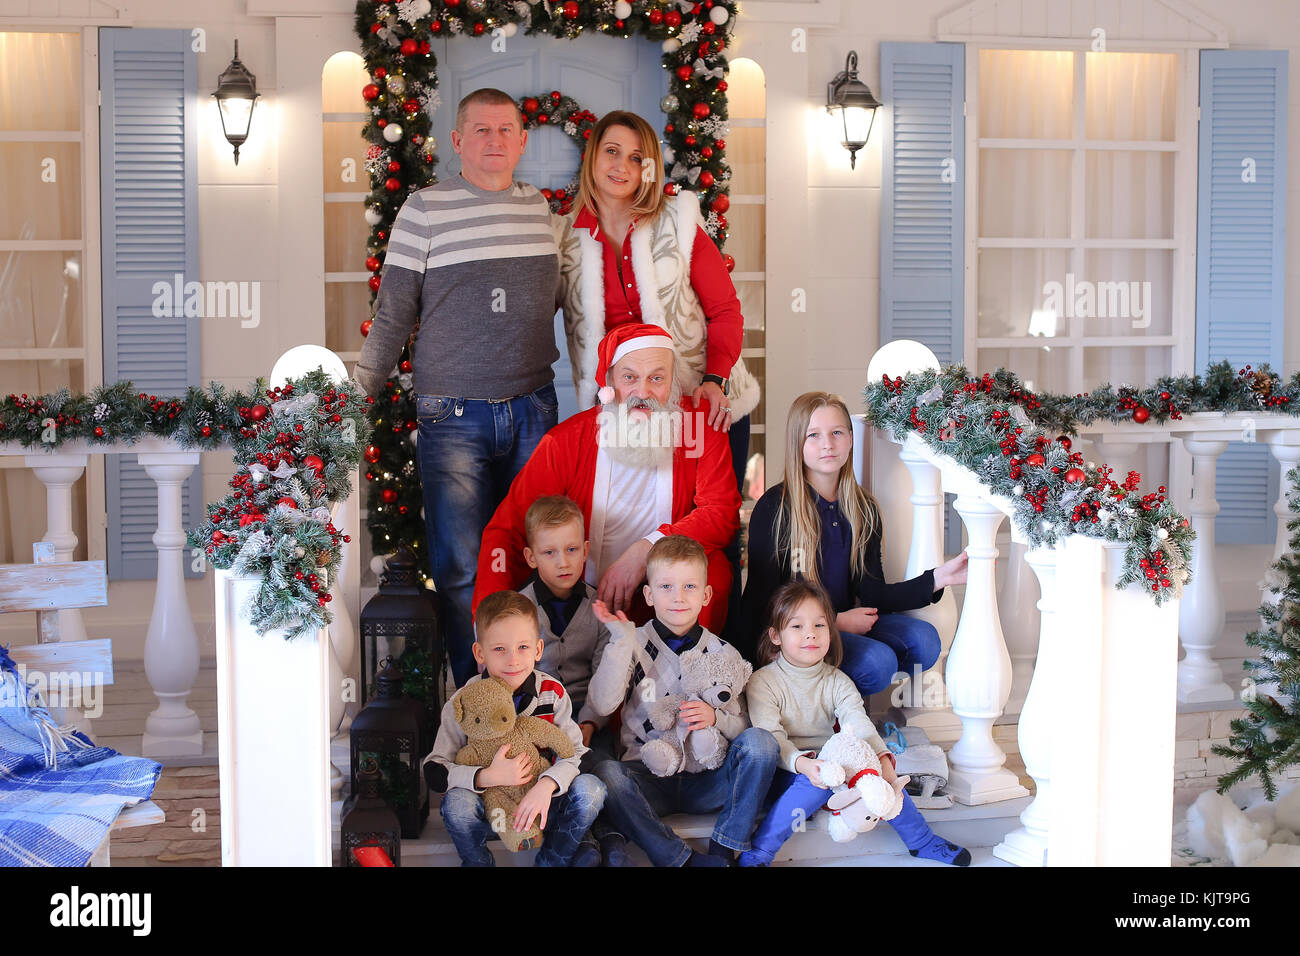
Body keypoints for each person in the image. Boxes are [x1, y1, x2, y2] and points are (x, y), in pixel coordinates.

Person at [354, 87, 562, 688]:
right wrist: (356, 390)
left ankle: (535, 700)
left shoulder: (541, 211)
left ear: (522, 140)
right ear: (458, 141)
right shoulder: (424, 209)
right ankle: (476, 706)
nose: (494, 141)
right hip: (453, 415)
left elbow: (564, 302)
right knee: (463, 569)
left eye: (506, 130)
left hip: (533, 407)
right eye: (481, 130)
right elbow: (393, 314)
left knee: (536, 560)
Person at [554, 110, 759, 618]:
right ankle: (617, 653)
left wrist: (714, 380)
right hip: (624, 418)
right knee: (623, 529)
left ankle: (721, 666)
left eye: (637, 157)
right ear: (593, 156)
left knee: (711, 540)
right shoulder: (564, 238)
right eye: (612, 151)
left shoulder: (678, 221)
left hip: (703, 405)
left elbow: (724, 310)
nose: (622, 165)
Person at [473, 322, 740, 633]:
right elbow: (507, 531)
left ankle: (691, 671)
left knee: (716, 569)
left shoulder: (699, 426)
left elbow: (721, 514)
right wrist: (491, 623)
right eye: (630, 378)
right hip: (585, 598)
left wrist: (646, 550)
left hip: (668, 595)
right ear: (610, 382)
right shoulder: (566, 441)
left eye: (657, 378)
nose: (644, 393)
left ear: (673, 382)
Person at [737, 392, 969, 697]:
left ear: (850, 439)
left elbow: (874, 593)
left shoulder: (863, 508)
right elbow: (765, 598)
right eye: (814, 435)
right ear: (798, 443)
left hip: (846, 622)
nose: (828, 444)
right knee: (877, 662)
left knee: (924, 640)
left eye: (836, 433)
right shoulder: (775, 508)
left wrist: (939, 578)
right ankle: (824, 710)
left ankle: (838, 693)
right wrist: (831, 623)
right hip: (794, 634)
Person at [738, 581, 970, 867]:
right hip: (786, 772)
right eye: (797, 627)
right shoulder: (763, 682)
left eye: (819, 626)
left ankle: (921, 841)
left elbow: (858, 723)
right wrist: (808, 766)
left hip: (833, 768)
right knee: (821, 779)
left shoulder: (837, 680)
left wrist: (883, 761)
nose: (810, 634)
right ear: (776, 635)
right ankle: (760, 851)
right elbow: (772, 739)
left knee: (878, 774)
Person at [586, 535, 779, 866]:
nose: (678, 597)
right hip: (647, 778)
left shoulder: (723, 653)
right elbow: (603, 705)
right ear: (648, 594)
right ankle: (679, 858)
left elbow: (744, 726)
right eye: (666, 587)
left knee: (762, 744)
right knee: (605, 773)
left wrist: (715, 718)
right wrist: (620, 642)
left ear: (706, 595)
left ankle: (724, 845)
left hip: (707, 781)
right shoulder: (632, 643)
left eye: (689, 587)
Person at [423, 590, 606, 867]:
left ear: (538, 650)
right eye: (499, 649)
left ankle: (551, 860)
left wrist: (547, 785)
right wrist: (487, 776)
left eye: (522, 647)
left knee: (592, 789)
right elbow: (436, 769)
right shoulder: (463, 701)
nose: (513, 660)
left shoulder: (552, 694)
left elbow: (577, 753)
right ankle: (478, 862)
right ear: (479, 653)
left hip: (542, 806)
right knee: (457, 805)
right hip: (491, 810)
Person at [516, 494, 631, 866]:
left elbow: (604, 677)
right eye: (549, 553)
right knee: (557, 778)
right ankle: (582, 846)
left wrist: (589, 723)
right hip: (538, 725)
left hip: (586, 721)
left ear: (585, 550)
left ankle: (612, 840)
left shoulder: (601, 610)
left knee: (605, 772)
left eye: (570, 549)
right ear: (531, 557)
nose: (563, 562)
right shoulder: (517, 610)